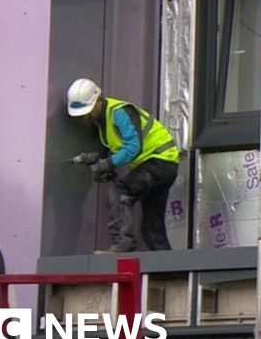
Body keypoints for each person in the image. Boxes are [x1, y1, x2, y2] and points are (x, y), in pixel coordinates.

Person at [66, 78, 180, 252]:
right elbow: (112, 149)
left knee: (120, 193)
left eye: (88, 111)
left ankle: (123, 242)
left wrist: (108, 164)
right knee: (151, 224)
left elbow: (133, 147)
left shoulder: (119, 112)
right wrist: (103, 163)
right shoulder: (102, 121)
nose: (87, 116)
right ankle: (169, 272)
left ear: (98, 99)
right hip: (164, 163)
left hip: (159, 161)